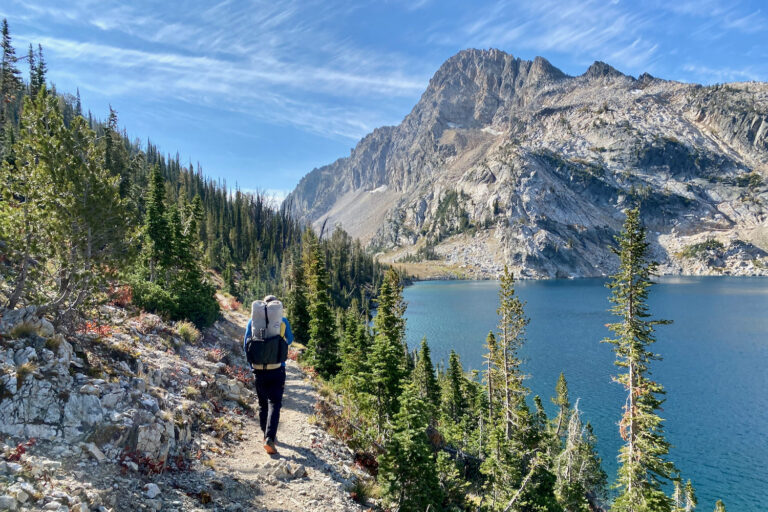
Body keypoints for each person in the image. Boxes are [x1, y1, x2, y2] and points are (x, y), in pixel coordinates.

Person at [243, 294, 293, 454]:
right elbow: (290, 340)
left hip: (258, 369)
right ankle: (270, 437)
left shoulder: (253, 321)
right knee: (275, 403)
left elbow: (246, 344)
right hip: (278, 368)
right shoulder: (282, 321)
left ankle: (265, 435)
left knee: (262, 404)